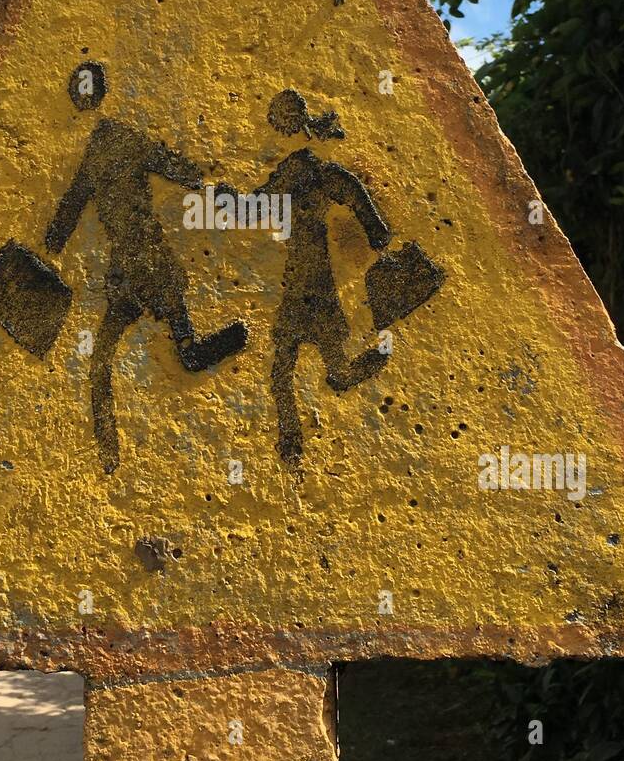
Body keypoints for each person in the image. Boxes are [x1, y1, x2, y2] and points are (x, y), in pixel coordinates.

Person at [46, 62, 247, 472]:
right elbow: (75, 201)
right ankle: (108, 456)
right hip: (130, 263)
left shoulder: (114, 142)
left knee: (107, 357)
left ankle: (108, 454)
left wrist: (204, 184)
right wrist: (52, 244)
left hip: (143, 258)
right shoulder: (101, 150)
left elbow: (165, 166)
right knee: (105, 357)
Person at [256, 88, 391, 463]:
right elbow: (356, 198)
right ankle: (292, 438)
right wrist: (376, 232)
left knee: (286, 365)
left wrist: (226, 201)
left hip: (308, 280)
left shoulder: (302, 171)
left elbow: (258, 203)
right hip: (310, 279)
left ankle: (291, 439)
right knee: (295, 364)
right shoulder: (315, 172)